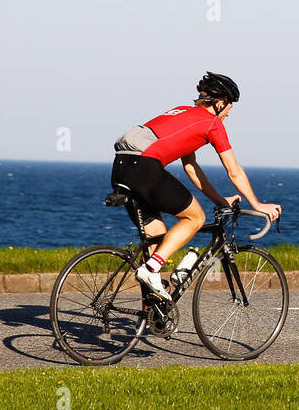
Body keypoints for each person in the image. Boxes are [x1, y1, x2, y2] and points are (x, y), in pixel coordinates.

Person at [110, 72, 282, 299]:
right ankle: (151, 270)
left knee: (159, 239)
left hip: (121, 167)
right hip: (144, 166)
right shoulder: (212, 124)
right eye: (230, 107)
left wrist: (220, 201)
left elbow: (191, 167)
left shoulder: (184, 112)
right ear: (220, 103)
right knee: (195, 218)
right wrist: (258, 205)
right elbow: (234, 171)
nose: (229, 114)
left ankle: (153, 311)